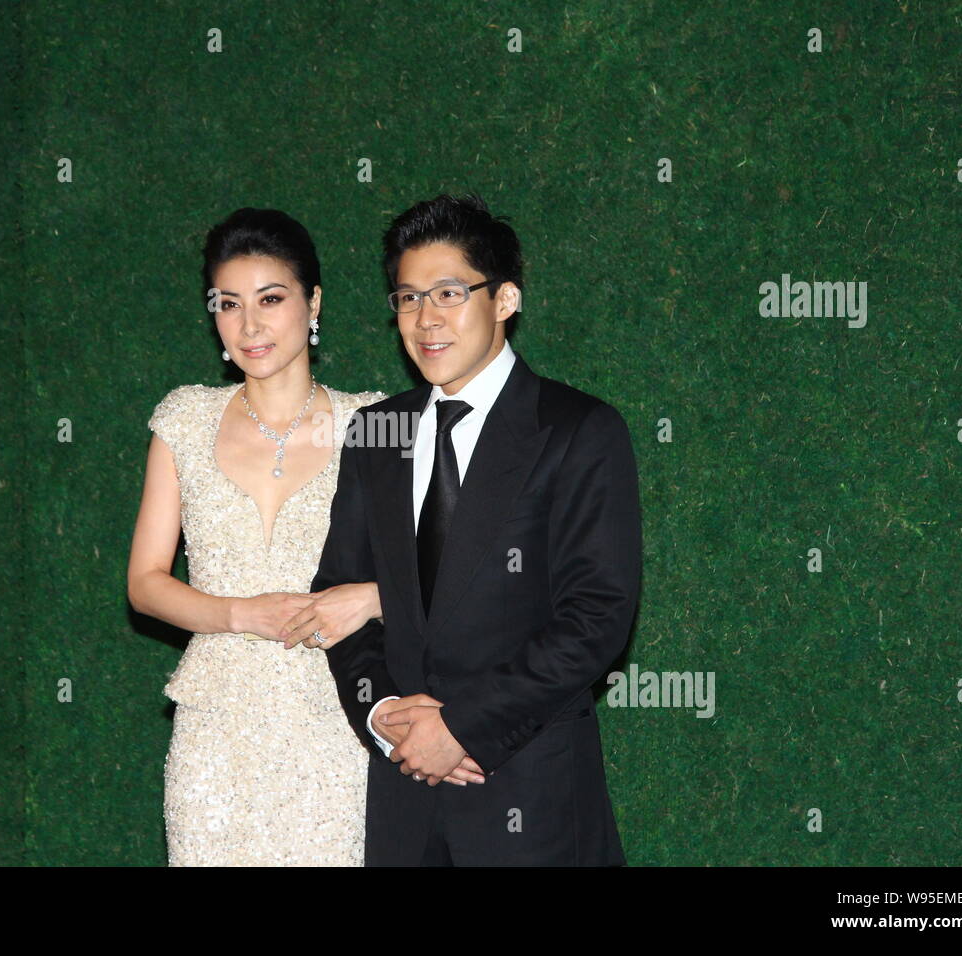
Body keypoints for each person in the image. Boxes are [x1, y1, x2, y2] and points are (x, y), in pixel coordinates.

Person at [313, 193, 643, 865]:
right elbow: (341, 596)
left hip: (530, 797)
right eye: (408, 298)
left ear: (505, 299)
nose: (425, 319)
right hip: (404, 801)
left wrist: (462, 728)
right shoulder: (377, 434)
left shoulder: (578, 430)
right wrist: (382, 714)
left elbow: (597, 616)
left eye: (449, 293)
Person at [126, 207, 392, 865]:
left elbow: (441, 575)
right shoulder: (185, 421)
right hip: (214, 738)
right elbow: (145, 584)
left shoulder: (375, 424)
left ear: (313, 302)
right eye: (228, 304)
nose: (249, 325)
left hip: (337, 723)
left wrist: (369, 598)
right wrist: (241, 614)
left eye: (271, 299)